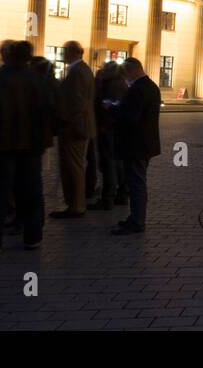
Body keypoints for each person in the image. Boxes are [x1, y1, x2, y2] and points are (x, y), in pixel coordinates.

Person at [0, 41, 53, 256]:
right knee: (32, 190)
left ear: (9, 56)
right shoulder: (38, 80)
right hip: (32, 145)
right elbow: (51, 111)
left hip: (1, 145)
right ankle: (33, 237)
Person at [112, 57, 160, 235]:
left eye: (125, 73)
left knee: (137, 183)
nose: (125, 77)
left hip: (136, 144)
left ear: (132, 70)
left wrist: (113, 109)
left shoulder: (138, 89)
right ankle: (135, 218)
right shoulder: (150, 86)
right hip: (144, 144)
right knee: (136, 182)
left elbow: (130, 118)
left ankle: (138, 221)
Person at [51, 41, 94, 218]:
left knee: (73, 166)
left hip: (74, 128)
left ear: (72, 52)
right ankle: (76, 204)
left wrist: (65, 121)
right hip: (79, 125)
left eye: (65, 51)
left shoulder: (77, 71)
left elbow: (76, 102)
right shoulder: (82, 69)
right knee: (75, 166)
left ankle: (76, 205)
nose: (63, 54)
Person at [90, 60, 127, 210]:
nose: (101, 71)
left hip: (108, 129)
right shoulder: (119, 82)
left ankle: (108, 197)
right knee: (117, 162)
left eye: (104, 69)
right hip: (114, 129)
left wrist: (104, 124)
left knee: (109, 163)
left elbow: (108, 106)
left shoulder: (112, 84)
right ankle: (121, 194)